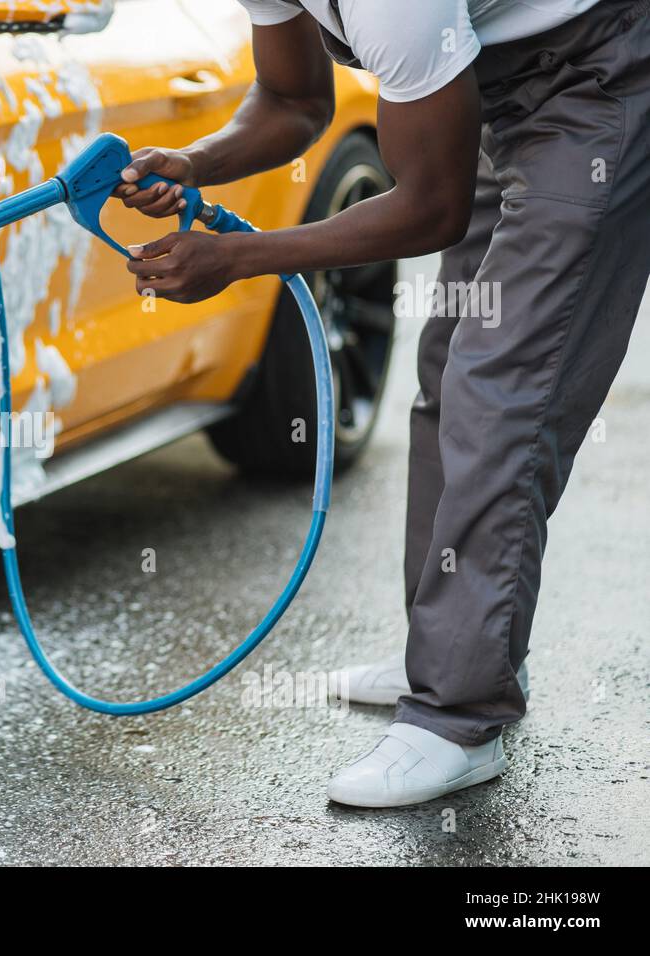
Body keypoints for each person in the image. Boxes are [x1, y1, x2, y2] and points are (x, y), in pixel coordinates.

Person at [115, 0, 649, 807]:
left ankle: (459, 716)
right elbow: (294, 101)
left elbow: (430, 206)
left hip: (601, 78)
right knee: (452, 370)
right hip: (488, 79)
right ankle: (456, 648)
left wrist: (240, 256)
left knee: (503, 389)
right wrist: (196, 161)